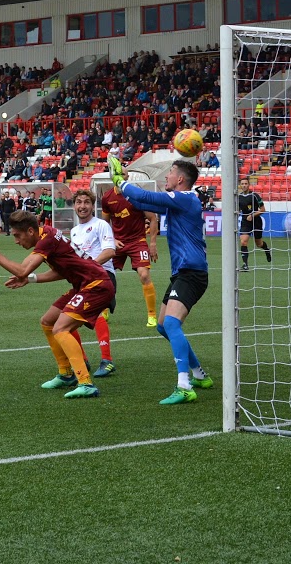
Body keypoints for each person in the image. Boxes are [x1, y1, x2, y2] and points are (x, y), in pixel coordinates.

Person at [0, 208, 112, 400]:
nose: (16, 241)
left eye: (17, 236)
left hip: (96, 284)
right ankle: (66, 374)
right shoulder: (47, 234)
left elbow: (21, 270)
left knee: (61, 328)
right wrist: (30, 279)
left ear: (30, 231)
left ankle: (85, 383)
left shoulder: (47, 239)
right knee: (48, 321)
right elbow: (61, 271)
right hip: (84, 284)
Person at [109, 155, 211, 405]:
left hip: (192, 273)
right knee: (164, 325)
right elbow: (139, 201)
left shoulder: (184, 198)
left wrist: (121, 181)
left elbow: (144, 196)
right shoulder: (180, 202)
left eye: (170, 172)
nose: (166, 176)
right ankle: (199, 375)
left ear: (180, 179)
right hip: (184, 273)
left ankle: (184, 386)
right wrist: (122, 185)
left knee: (172, 324)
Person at [66, 190, 118, 377]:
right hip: (84, 279)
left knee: (98, 313)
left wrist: (89, 267)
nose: (82, 206)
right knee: (64, 318)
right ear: (74, 206)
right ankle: (83, 360)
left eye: (86, 202)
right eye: (79, 202)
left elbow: (110, 251)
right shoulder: (74, 232)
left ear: (92, 205)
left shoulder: (101, 225)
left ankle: (107, 360)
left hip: (103, 276)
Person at [101, 186, 160, 327]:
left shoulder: (136, 194)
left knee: (144, 275)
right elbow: (104, 224)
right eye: (118, 175)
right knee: (103, 274)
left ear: (127, 176)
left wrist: (152, 243)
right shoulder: (107, 197)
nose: (121, 176)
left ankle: (152, 315)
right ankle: (103, 310)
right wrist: (113, 240)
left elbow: (153, 218)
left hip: (137, 241)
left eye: (124, 175)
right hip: (117, 243)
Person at [237, 184, 270, 270]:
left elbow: (263, 210)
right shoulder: (239, 197)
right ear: (240, 186)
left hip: (256, 221)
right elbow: (238, 209)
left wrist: (252, 215)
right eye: (242, 184)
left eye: (245, 184)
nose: (244, 185)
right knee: (243, 241)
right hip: (245, 221)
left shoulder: (255, 195)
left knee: (259, 244)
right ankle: (245, 264)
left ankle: (266, 249)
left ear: (248, 185)